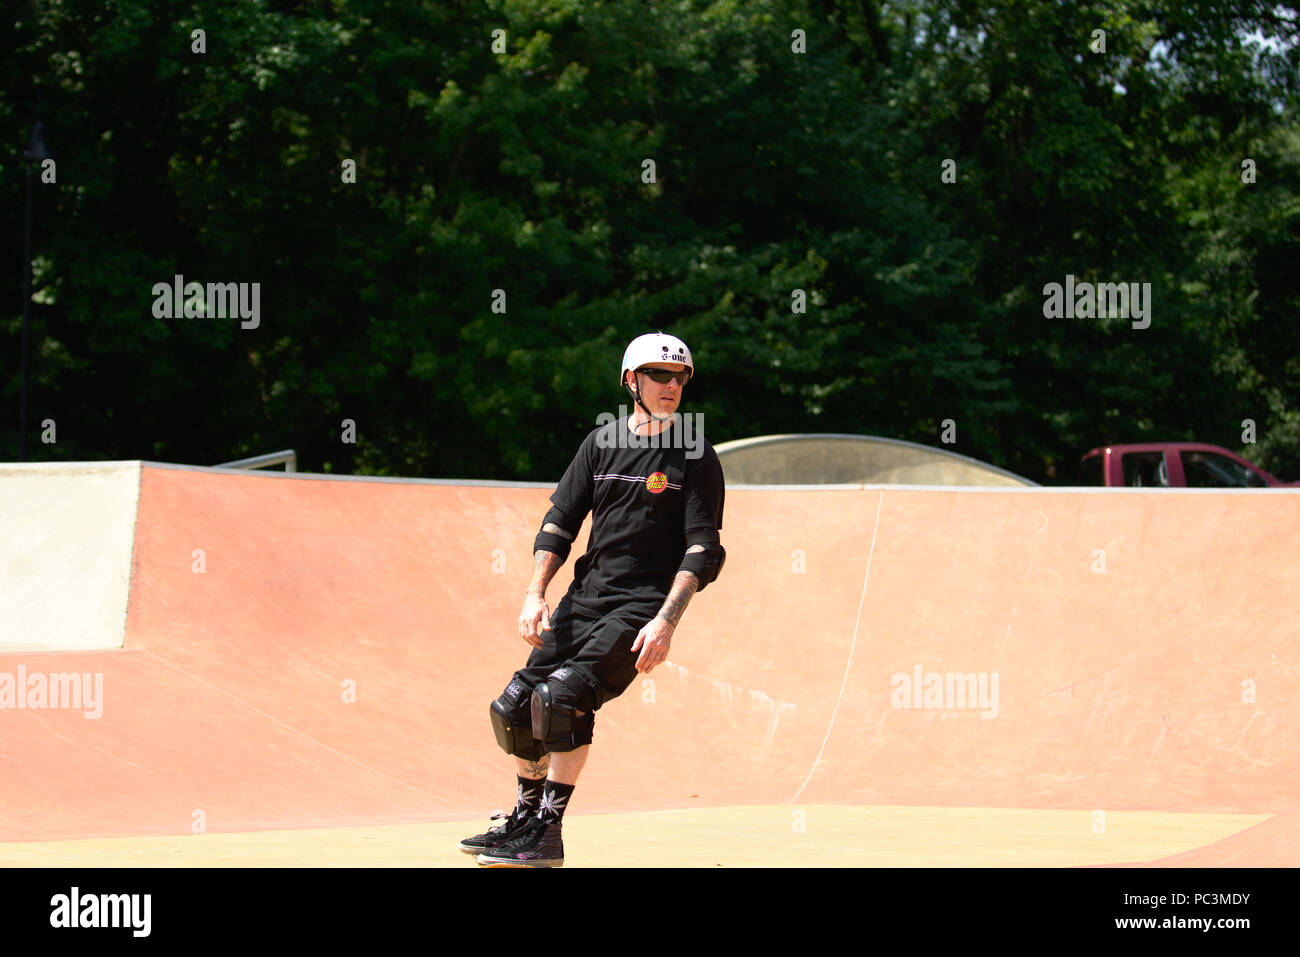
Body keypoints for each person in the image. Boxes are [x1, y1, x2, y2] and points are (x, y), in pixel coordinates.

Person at [460, 332, 726, 867]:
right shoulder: (601, 443)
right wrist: (536, 594)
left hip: (639, 605)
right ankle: (524, 821)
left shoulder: (694, 456)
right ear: (631, 381)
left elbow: (703, 547)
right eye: (658, 375)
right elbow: (560, 521)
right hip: (585, 597)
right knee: (514, 709)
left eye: (679, 377)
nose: (671, 385)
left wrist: (666, 621)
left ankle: (548, 833)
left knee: (562, 700)